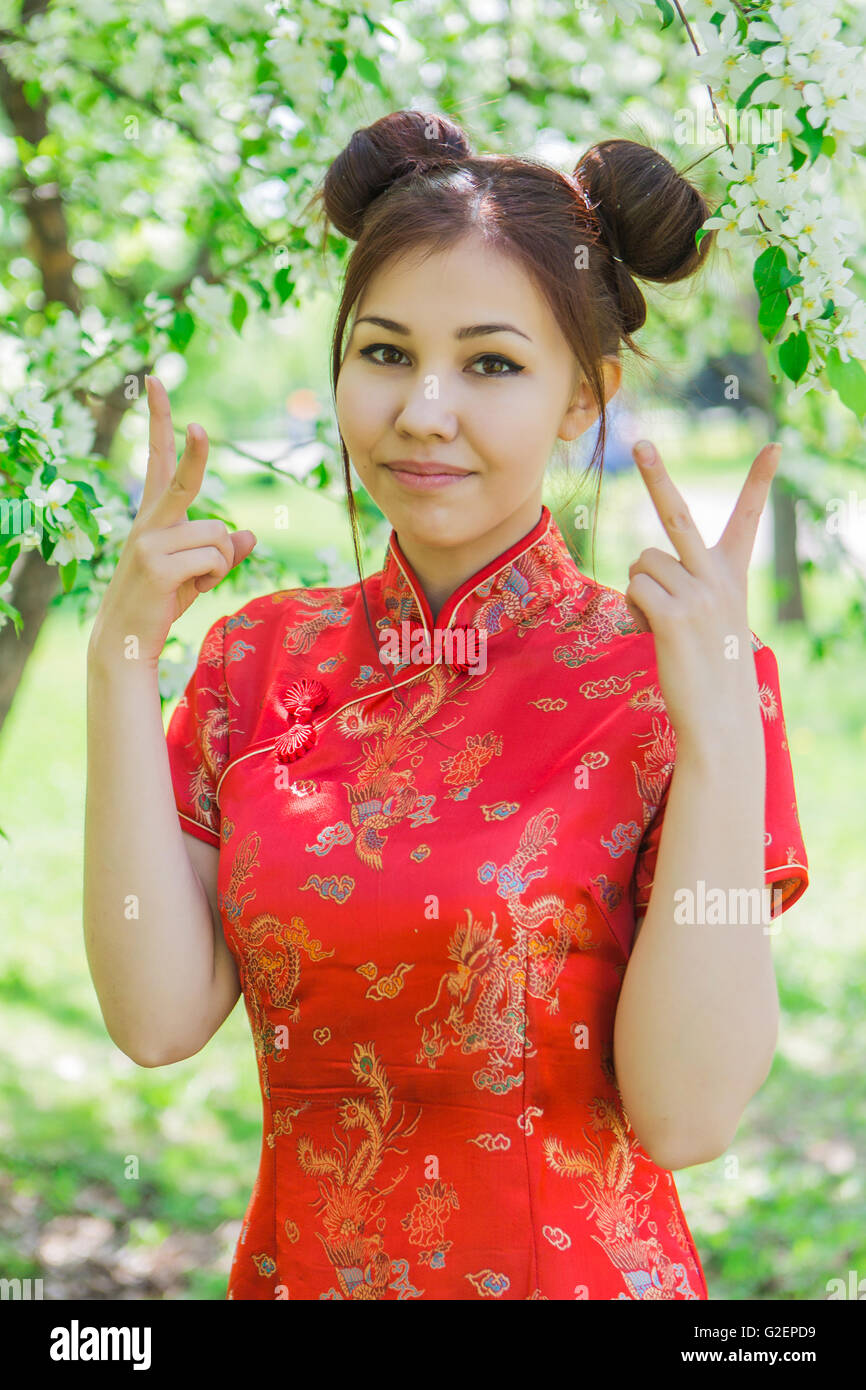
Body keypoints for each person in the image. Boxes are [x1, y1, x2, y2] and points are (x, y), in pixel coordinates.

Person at [84, 110, 809, 1301]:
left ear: (585, 399)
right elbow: (159, 1021)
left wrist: (720, 734)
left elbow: (684, 1115)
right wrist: (120, 658)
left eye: (489, 364)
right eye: (382, 353)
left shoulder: (672, 682)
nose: (424, 409)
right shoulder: (254, 660)